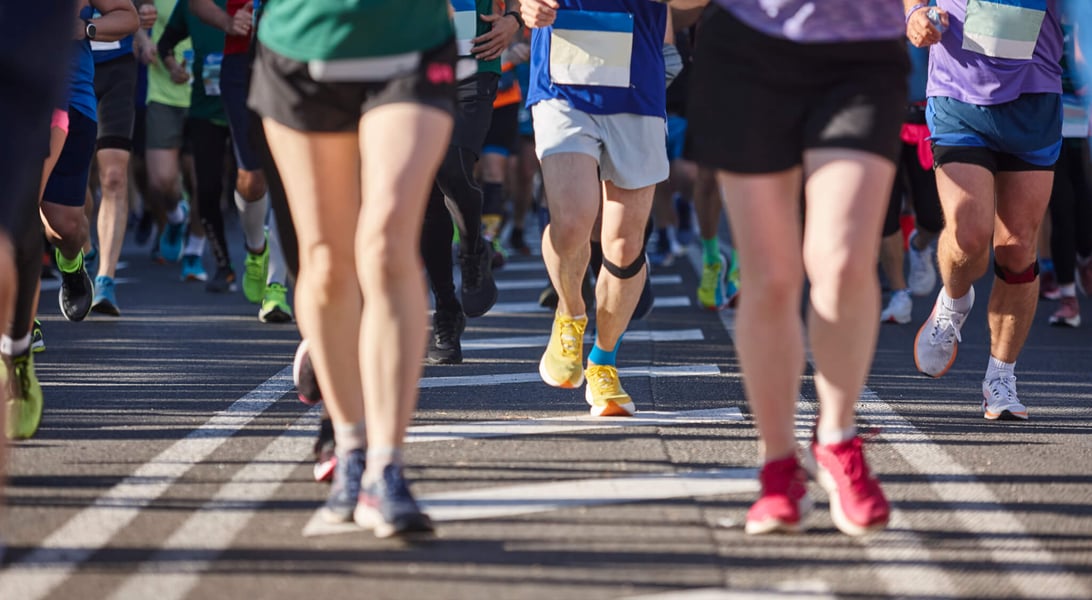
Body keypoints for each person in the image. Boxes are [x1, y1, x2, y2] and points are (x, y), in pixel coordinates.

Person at [687, 0, 906, 535]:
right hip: (748, 49)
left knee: (843, 261)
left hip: (862, 52)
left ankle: (836, 438)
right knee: (771, 277)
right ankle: (779, 465)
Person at [249, 0, 455, 537]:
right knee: (325, 261)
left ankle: (386, 468)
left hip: (411, 42)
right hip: (301, 44)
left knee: (386, 243)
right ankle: (351, 447)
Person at [908, 0, 1064, 421]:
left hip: (1034, 95)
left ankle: (1001, 376)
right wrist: (915, 12)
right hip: (959, 90)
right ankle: (953, 302)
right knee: (968, 234)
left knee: (1018, 249)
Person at [521, 0, 669, 417]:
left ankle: (603, 361)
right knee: (571, 222)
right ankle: (570, 312)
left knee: (623, 245)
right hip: (562, 85)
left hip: (637, 89)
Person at [422, 0, 521, 364]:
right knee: (428, 193)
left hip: (475, 62)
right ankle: (447, 310)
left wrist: (513, 19)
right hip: (412, 66)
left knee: (451, 164)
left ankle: (472, 250)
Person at [879, 42, 944, 324]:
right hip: (880, 118)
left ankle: (918, 245)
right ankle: (899, 293)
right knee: (885, 212)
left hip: (925, 118)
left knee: (934, 216)